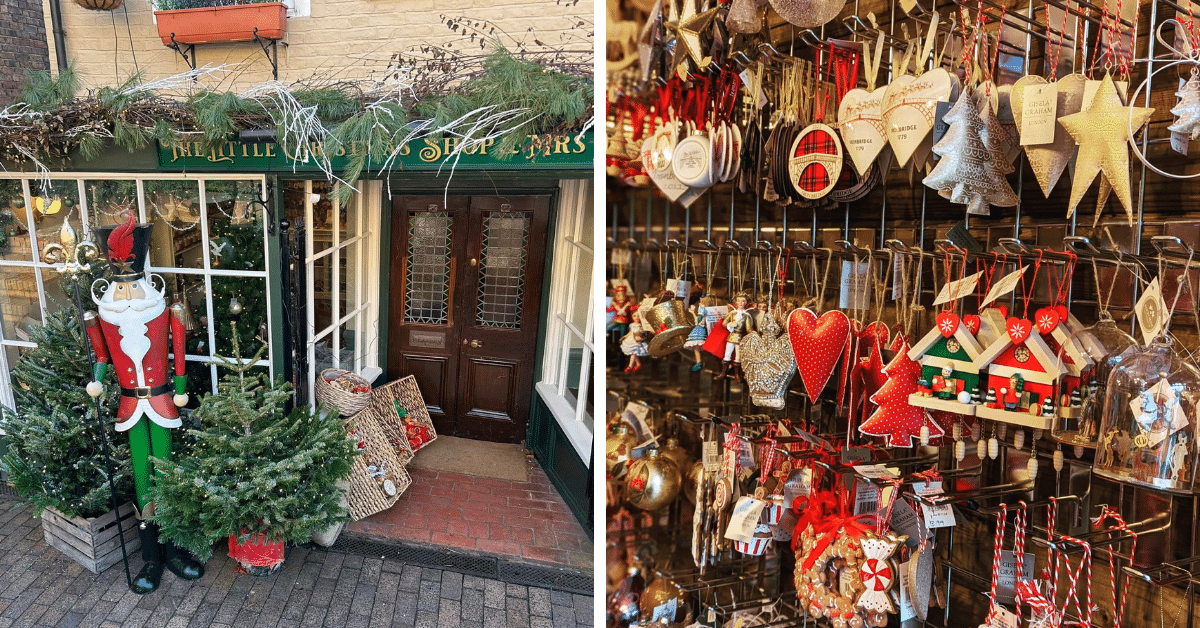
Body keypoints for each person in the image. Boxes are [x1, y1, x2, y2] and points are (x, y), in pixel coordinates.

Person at [84, 214, 205, 594]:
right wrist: (97, 381)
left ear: (145, 282)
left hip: (162, 400)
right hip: (128, 406)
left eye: (132, 284)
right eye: (120, 286)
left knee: (165, 473)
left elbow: (180, 354)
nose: (126, 294)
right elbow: (102, 356)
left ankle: (172, 552)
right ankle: (151, 557)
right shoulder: (102, 316)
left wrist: (182, 386)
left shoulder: (162, 310)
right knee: (141, 480)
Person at [716, 292, 755, 381]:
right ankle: (723, 372)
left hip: (740, 338)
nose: (741, 303)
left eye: (743, 301)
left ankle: (737, 375)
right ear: (736, 302)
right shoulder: (732, 314)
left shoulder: (746, 316)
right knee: (727, 355)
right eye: (739, 301)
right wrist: (730, 324)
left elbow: (749, 328)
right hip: (731, 336)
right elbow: (724, 323)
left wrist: (753, 333)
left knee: (738, 356)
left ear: (746, 303)